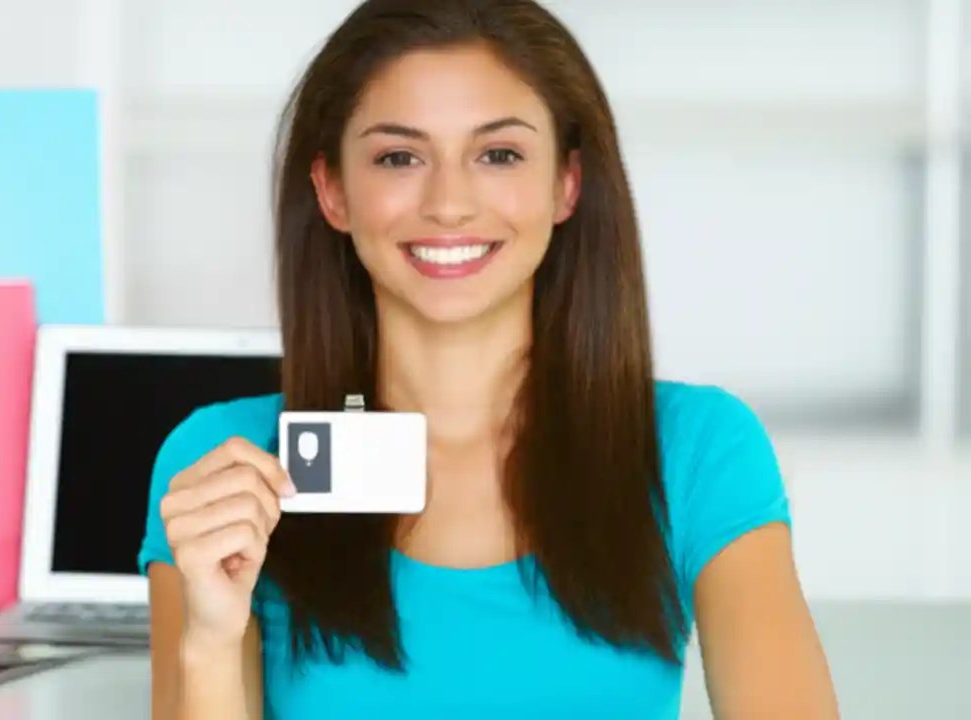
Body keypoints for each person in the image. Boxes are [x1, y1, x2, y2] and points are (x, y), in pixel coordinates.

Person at [137, 1, 840, 717]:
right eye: (399, 157)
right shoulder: (222, 466)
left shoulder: (698, 449)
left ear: (567, 184)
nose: (449, 204)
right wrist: (211, 642)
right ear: (333, 191)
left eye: (498, 154)